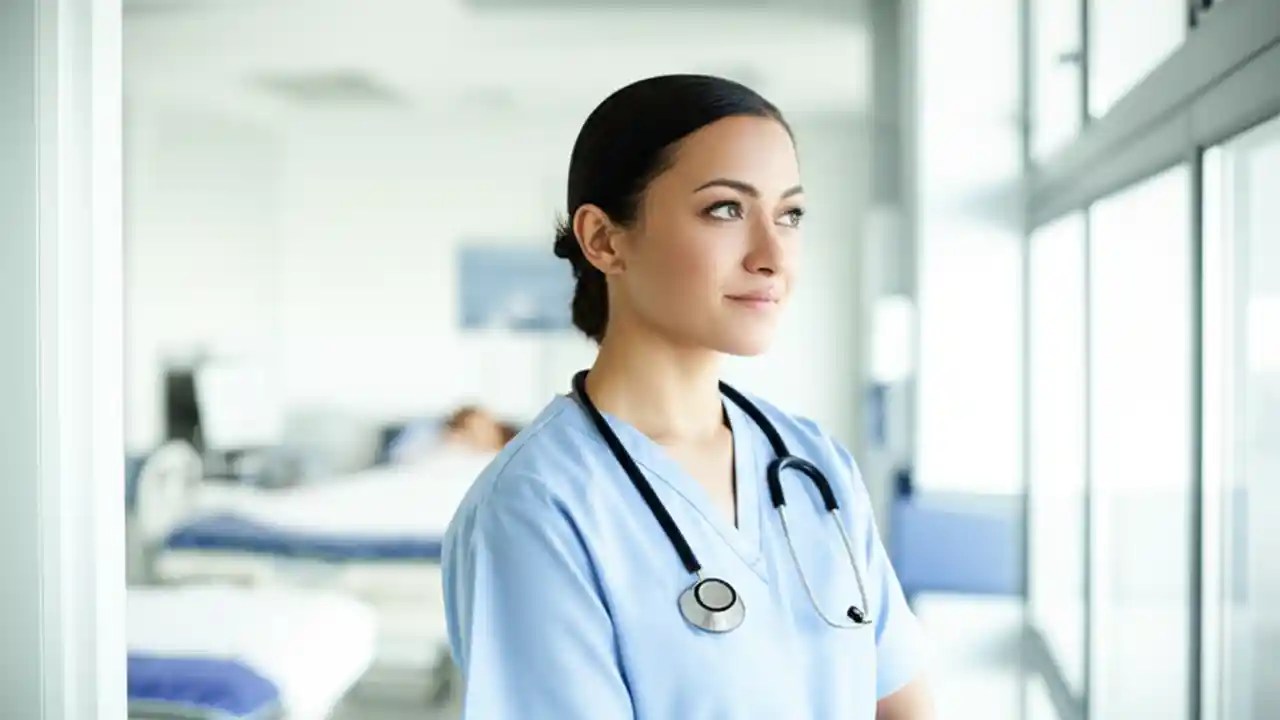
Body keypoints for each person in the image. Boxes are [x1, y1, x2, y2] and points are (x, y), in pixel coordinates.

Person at [442, 74, 934, 719]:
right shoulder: (538, 505)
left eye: (790, 215)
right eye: (726, 209)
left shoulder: (813, 464)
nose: (772, 254)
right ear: (604, 240)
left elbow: (902, 702)